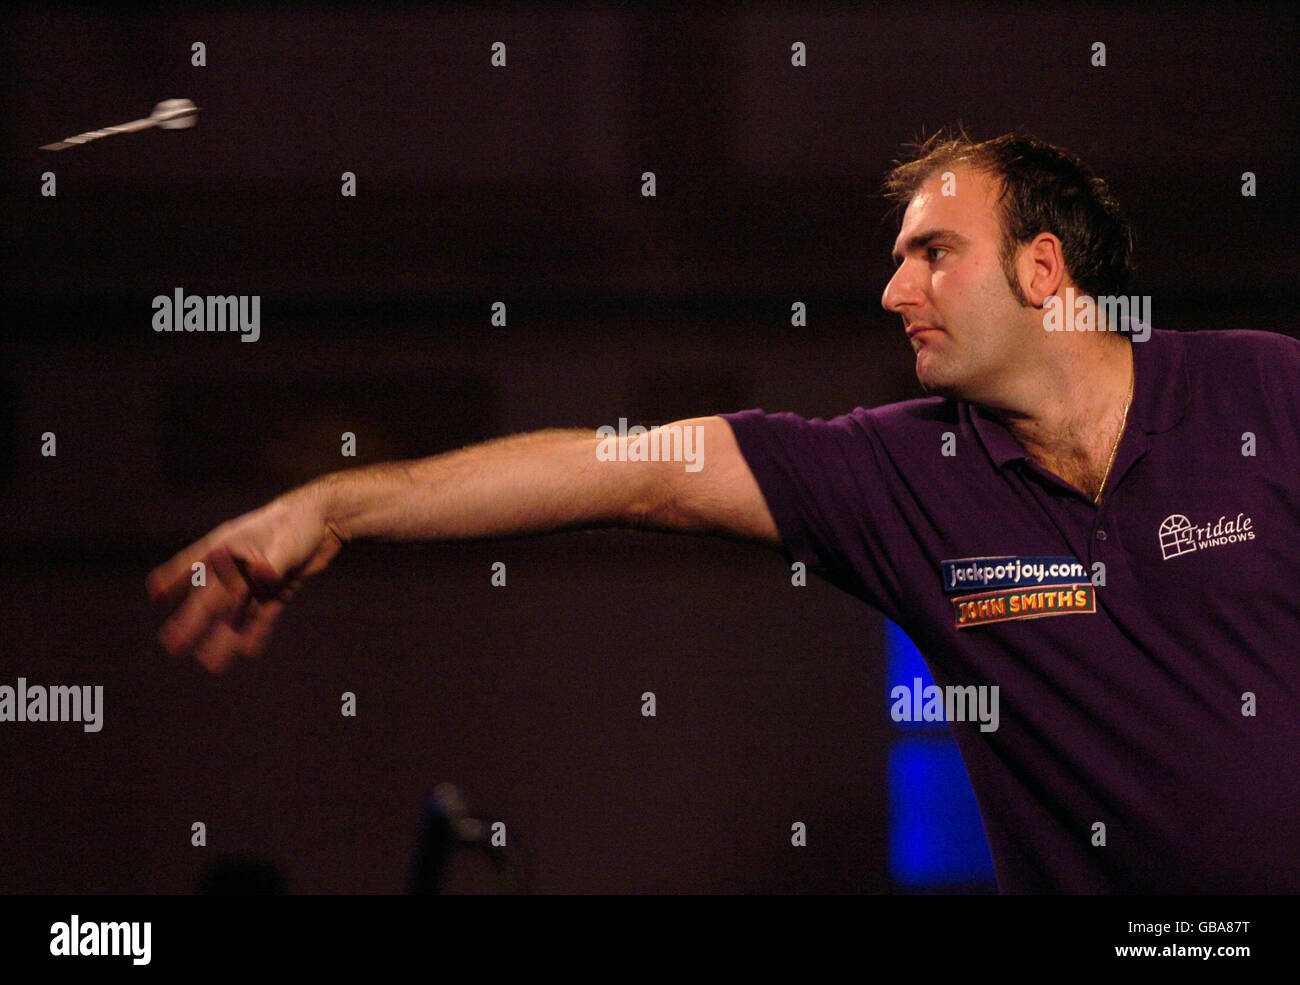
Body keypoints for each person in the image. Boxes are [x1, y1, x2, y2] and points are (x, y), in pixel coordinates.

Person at [149, 130, 1300, 893]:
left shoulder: (1264, 390)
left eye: (933, 254)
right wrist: (332, 509)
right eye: (896, 259)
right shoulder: (900, 478)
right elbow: (631, 467)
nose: (893, 290)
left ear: (1043, 271)